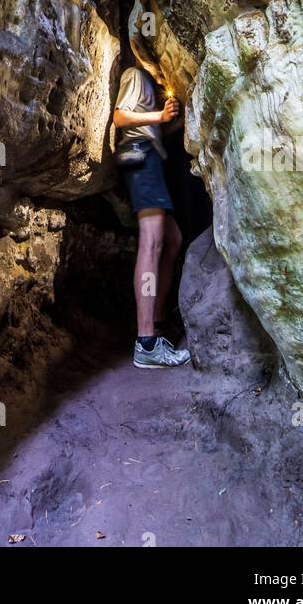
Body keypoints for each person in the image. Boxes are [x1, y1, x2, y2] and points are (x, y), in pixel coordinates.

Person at [113, 40, 191, 369]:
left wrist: (167, 117)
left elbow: (153, 122)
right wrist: (159, 114)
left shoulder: (151, 85)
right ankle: (146, 342)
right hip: (140, 156)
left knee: (171, 241)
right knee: (153, 242)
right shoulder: (135, 74)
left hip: (151, 158)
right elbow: (119, 117)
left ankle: (157, 326)